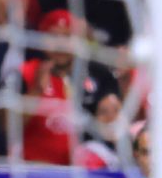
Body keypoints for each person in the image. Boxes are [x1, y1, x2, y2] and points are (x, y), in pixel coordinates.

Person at [19, 10, 119, 166]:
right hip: (37, 168)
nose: (61, 44)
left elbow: (114, 122)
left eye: (67, 37)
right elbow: (7, 127)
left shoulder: (98, 74)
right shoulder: (27, 72)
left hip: (89, 167)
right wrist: (36, 91)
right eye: (54, 37)